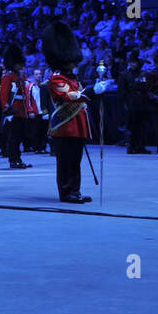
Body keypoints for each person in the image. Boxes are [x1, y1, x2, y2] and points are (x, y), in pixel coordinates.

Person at [42, 21, 108, 203]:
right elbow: (71, 96)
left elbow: (79, 95)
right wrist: (93, 90)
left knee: (75, 162)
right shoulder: (56, 79)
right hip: (64, 126)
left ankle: (75, 190)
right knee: (65, 163)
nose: (73, 64)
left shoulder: (72, 78)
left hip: (77, 126)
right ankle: (66, 192)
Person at [0, 43, 31, 168]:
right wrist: (6, 108)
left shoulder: (19, 77)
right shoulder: (8, 77)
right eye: (19, 64)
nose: (21, 66)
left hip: (21, 109)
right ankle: (13, 159)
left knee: (19, 135)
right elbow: (4, 95)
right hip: (13, 110)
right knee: (13, 136)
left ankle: (18, 158)